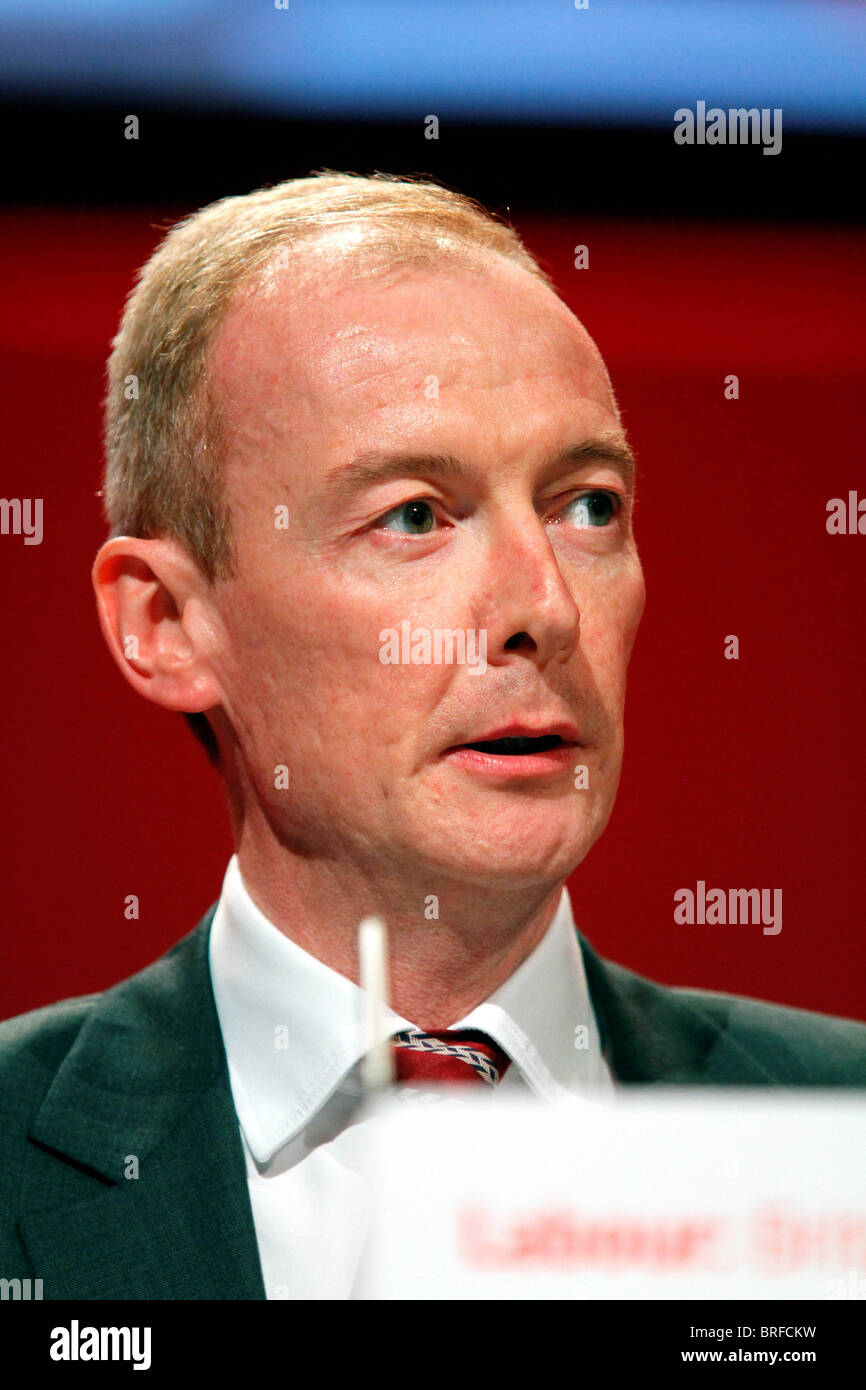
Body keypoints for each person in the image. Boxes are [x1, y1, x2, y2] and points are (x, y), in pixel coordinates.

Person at [1, 173, 864, 1301]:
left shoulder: (830, 1140)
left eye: (586, 504)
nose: (542, 607)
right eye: (413, 515)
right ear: (166, 623)